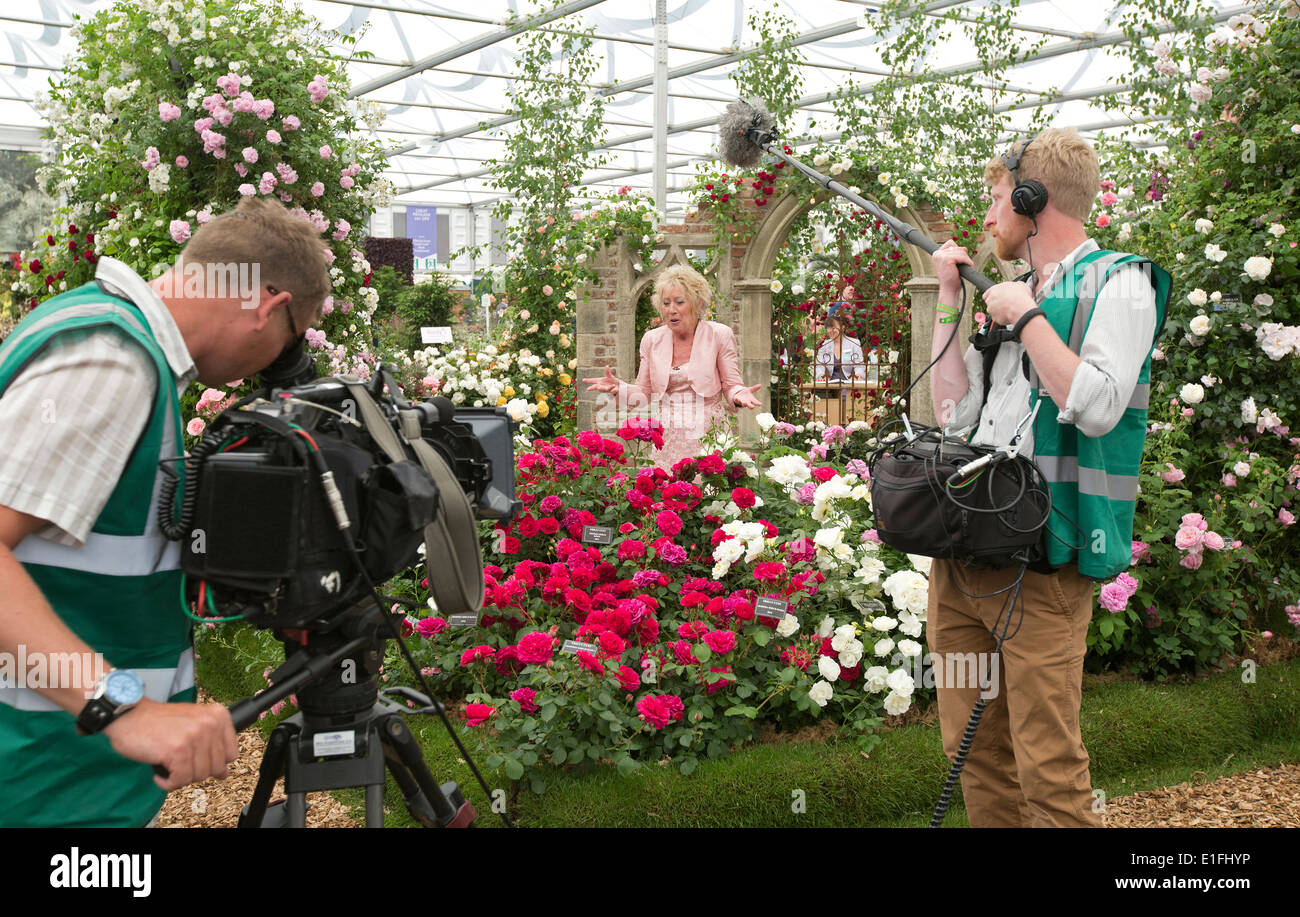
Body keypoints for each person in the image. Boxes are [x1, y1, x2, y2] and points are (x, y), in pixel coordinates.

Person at [0, 197, 332, 827]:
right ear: (270, 306)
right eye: (288, 343)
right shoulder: (112, 360)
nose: (275, 364)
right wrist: (123, 710)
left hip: (66, 778)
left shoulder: (98, 330)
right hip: (39, 787)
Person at [925, 128, 1169, 827]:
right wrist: (951, 299)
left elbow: (1096, 405)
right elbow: (952, 414)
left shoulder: (1121, 283)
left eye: (997, 197)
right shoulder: (1014, 291)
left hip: (1044, 562)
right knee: (972, 751)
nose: (987, 216)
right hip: (964, 558)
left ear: (1034, 199)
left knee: (1047, 763)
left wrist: (1028, 317)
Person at [583, 263, 761, 471]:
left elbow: (731, 385)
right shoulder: (651, 340)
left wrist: (739, 394)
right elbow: (643, 393)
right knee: (667, 489)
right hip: (666, 440)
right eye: (666, 303)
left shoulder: (719, 334)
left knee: (708, 489)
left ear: (698, 303)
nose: (671, 310)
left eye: (679, 302)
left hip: (708, 438)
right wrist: (618, 388)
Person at [814, 310, 867, 383]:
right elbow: (819, 365)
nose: (830, 330)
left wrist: (858, 375)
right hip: (829, 384)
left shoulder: (854, 343)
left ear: (842, 327)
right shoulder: (824, 345)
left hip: (849, 383)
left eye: (833, 328)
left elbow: (859, 365)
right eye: (828, 327)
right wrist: (821, 376)